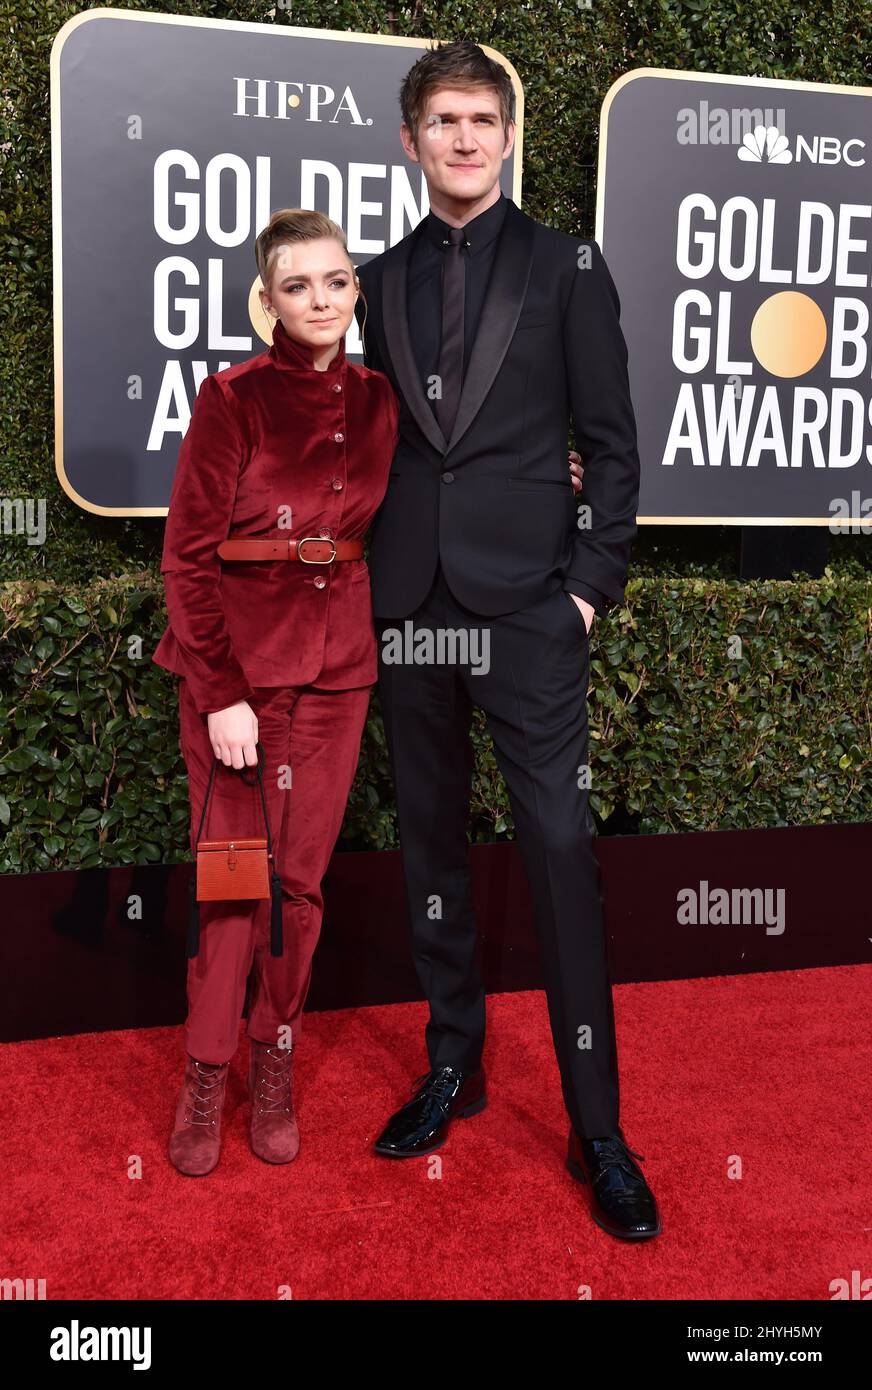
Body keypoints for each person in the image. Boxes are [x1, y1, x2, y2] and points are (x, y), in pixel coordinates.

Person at [354, 40, 661, 1240]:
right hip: (411, 611)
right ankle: (452, 1065)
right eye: (443, 120)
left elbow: (614, 441)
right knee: (428, 845)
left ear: (507, 136)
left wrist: (584, 588)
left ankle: (598, 1128)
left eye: (483, 118)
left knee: (558, 856)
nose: (465, 137)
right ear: (411, 140)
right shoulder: (376, 281)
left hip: (529, 613)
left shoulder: (565, 265)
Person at [152, 208, 399, 1176]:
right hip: (238, 683)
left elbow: (456, 480)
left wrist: (560, 474)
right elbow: (183, 558)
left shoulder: (381, 402)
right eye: (297, 285)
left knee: (298, 886)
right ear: (267, 298)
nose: (319, 300)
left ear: (354, 291)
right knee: (230, 883)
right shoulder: (231, 398)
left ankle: (275, 1051)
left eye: (335, 281)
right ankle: (206, 1071)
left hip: (337, 676)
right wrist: (218, 693)